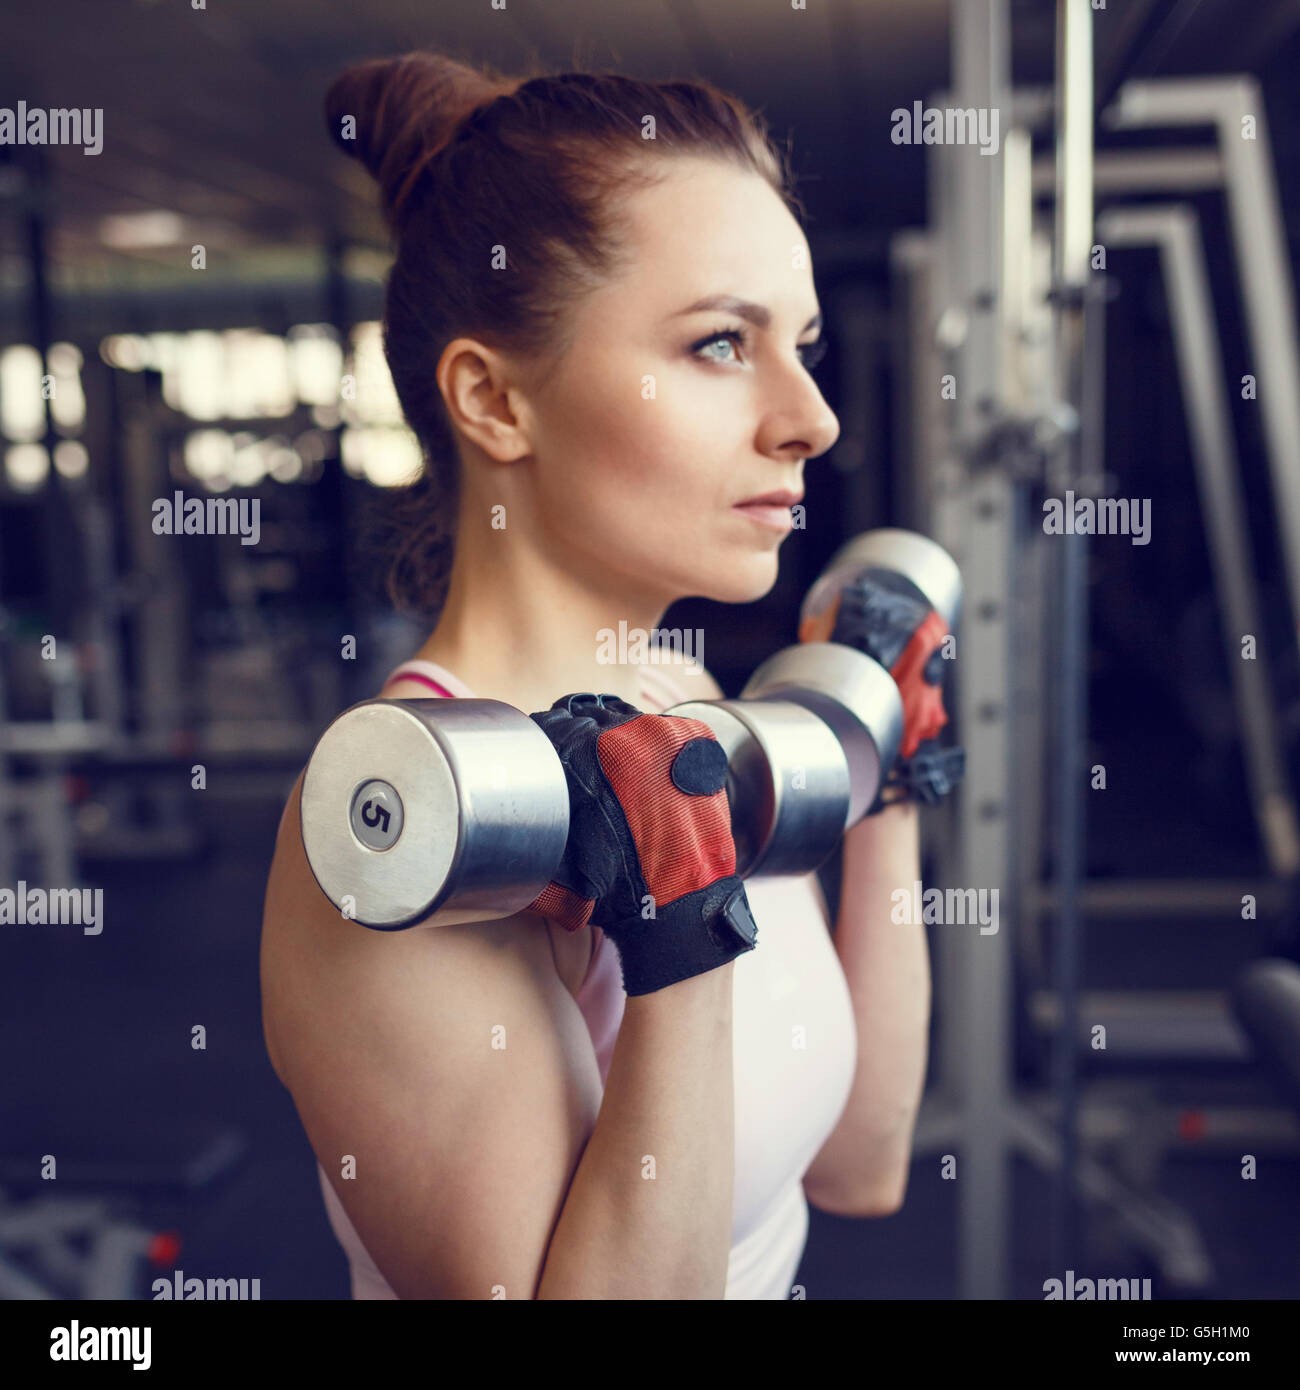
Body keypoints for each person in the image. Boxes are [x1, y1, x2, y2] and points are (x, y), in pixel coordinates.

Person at [260, 49, 929, 1300]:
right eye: (721, 343)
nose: (812, 417)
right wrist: (677, 949)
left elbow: (859, 1168)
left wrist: (885, 789)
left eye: (804, 343)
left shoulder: (706, 723)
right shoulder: (403, 834)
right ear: (496, 402)